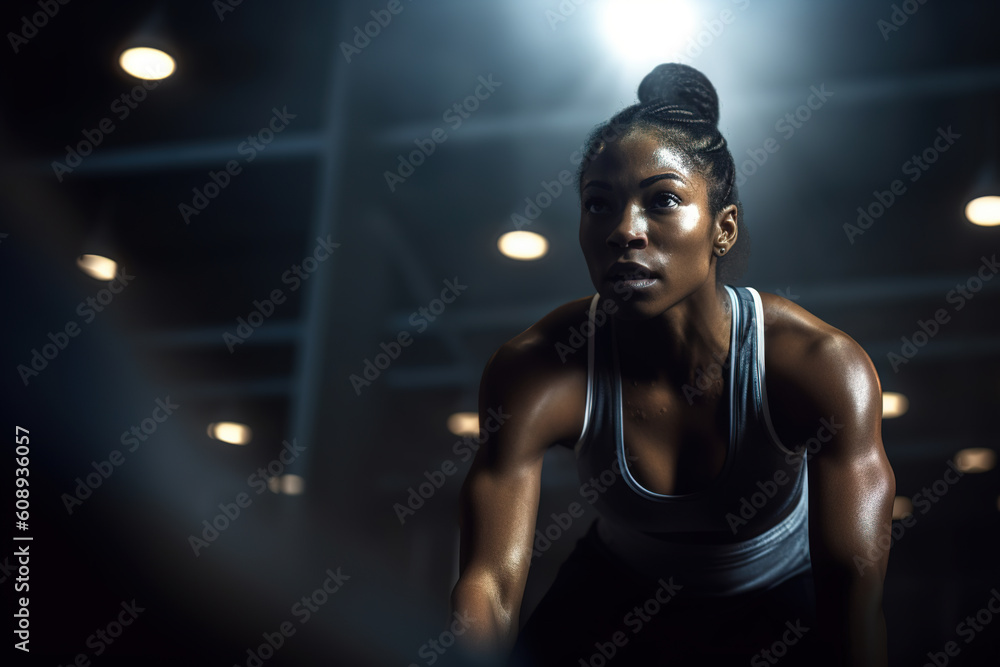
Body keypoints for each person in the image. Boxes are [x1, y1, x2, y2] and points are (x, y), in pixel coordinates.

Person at [449, 63, 895, 666]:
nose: (624, 231)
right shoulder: (535, 370)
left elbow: (853, 594)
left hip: (781, 601)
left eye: (662, 201)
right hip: (615, 595)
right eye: (598, 205)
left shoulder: (818, 367)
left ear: (723, 229)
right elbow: (488, 588)